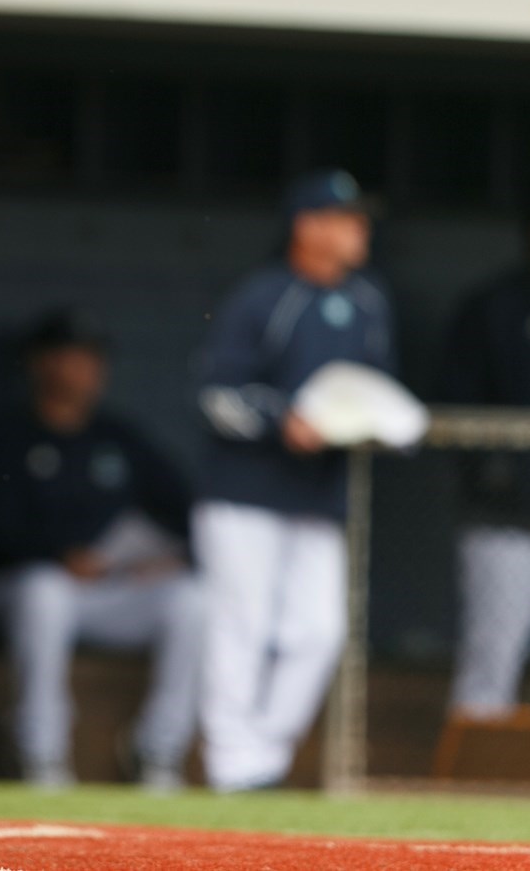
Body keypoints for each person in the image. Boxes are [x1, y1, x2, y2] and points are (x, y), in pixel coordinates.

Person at [192, 169, 393, 792]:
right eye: (345, 219)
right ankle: (231, 763)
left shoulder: (367, 301)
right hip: (244, 492)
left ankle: (264, 758)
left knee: (320, 629)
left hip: (317, 494)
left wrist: (374, 424)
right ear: (307, 226)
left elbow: (375, 390)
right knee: (241, 622)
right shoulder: (264, 293)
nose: (359, 231)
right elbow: (215, 395)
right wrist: (284, 420)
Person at [0, 310, 201, 791]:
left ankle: (158, 753)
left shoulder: (120, 439)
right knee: (43, 592)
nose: (84, 370)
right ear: (40, 365)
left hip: (111, 590)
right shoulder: (5, 440)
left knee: (196, 600)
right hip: (30, 589)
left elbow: (186, 514)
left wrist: (162, 559)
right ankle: (42, 756)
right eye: (71, 358)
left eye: (92, 359)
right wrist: (58, 555)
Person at [441, 209, 530, 722]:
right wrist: (492, 467)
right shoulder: (494, 305)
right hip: (508, 516)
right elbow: (455, 395)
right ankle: (469, 790)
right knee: (493, 655)